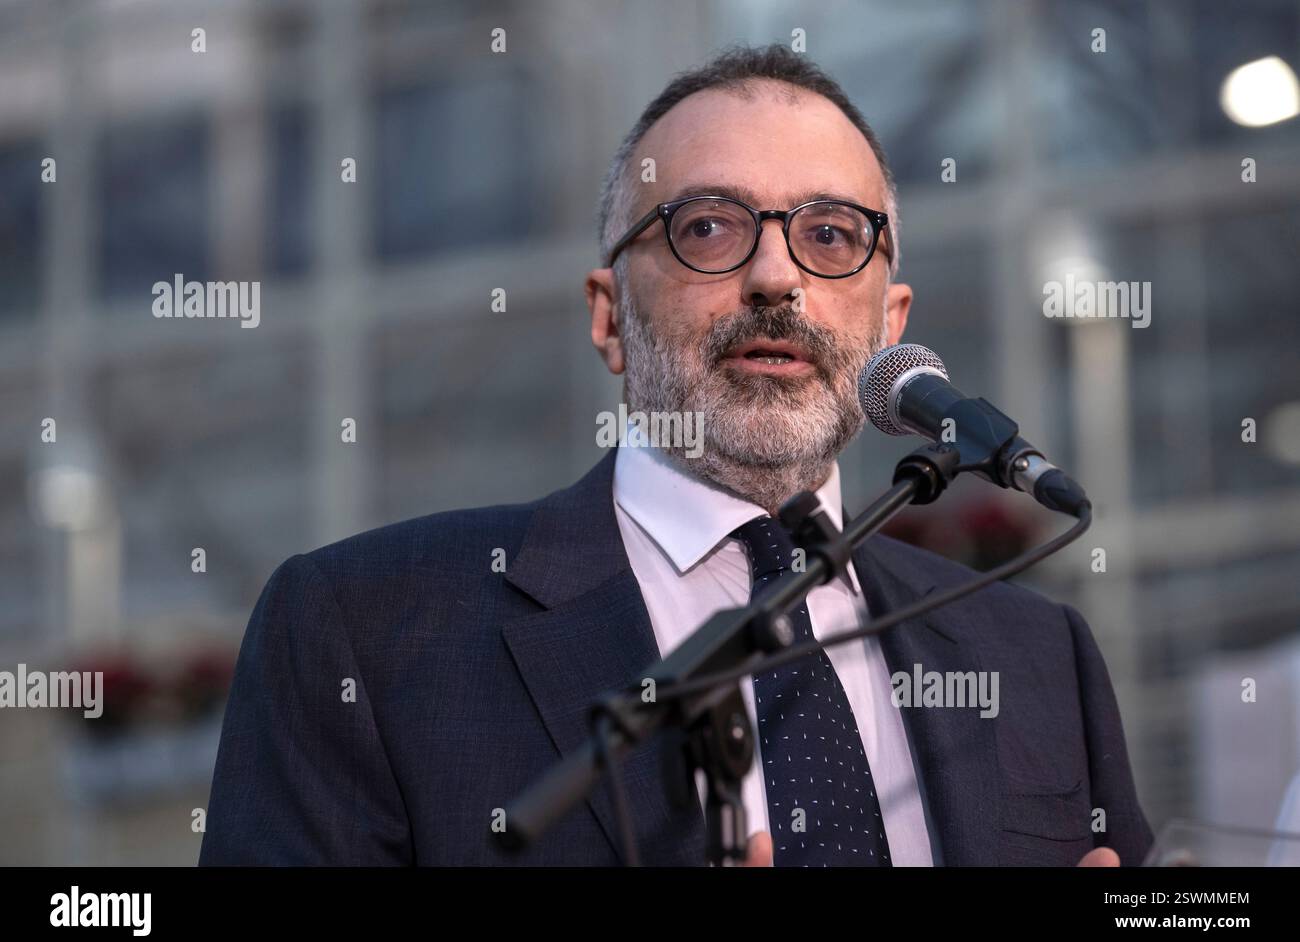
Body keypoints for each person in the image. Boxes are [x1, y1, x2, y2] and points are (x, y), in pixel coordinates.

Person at [200, 43, 1152, 867]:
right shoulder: (367, 628)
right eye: (707, 228)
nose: (776, 277)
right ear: (610, 316)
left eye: (829, 234)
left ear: (888, 322)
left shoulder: (1031, 653)